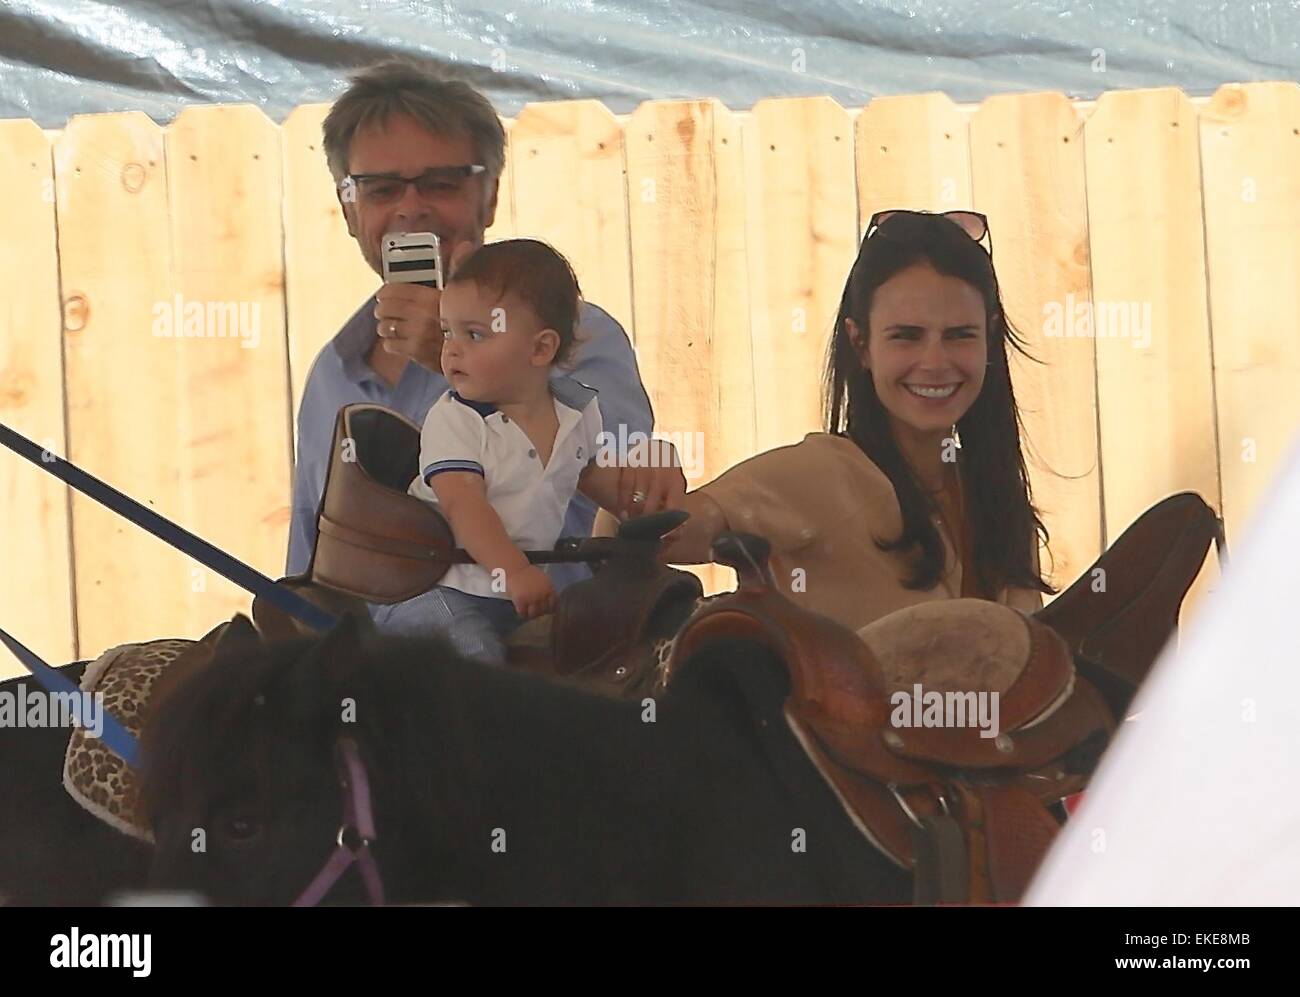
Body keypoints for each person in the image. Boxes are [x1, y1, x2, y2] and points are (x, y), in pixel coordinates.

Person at [287, 59, 659, 593]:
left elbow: (629, 512)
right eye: (381, 190)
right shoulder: (335, 369)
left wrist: (459, 355)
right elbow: (312, 557)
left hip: (534, 659)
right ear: (349, 211)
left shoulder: (576, 338)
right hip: (367, 670)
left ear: (489, 198)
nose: (411, 210)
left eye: (440, 184)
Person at [660, 210, 1053, 631]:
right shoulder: (819, 472)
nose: (935, 362)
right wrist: (639, 471)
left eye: (960, 335)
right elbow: (667, 536)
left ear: (989, 338)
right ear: (860, 343)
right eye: (906, 335)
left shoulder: (1003, 509)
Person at [372, 239, 683, 664]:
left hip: (513, 597)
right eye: (448, 332)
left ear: (541, 349)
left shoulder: (574, 415)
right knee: (475, 658)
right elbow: (464, 506)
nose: (451, 349)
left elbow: (598, 483)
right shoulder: (456, 421)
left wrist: (646, 498)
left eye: (474, 334)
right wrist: (514, 572)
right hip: (430, 588)